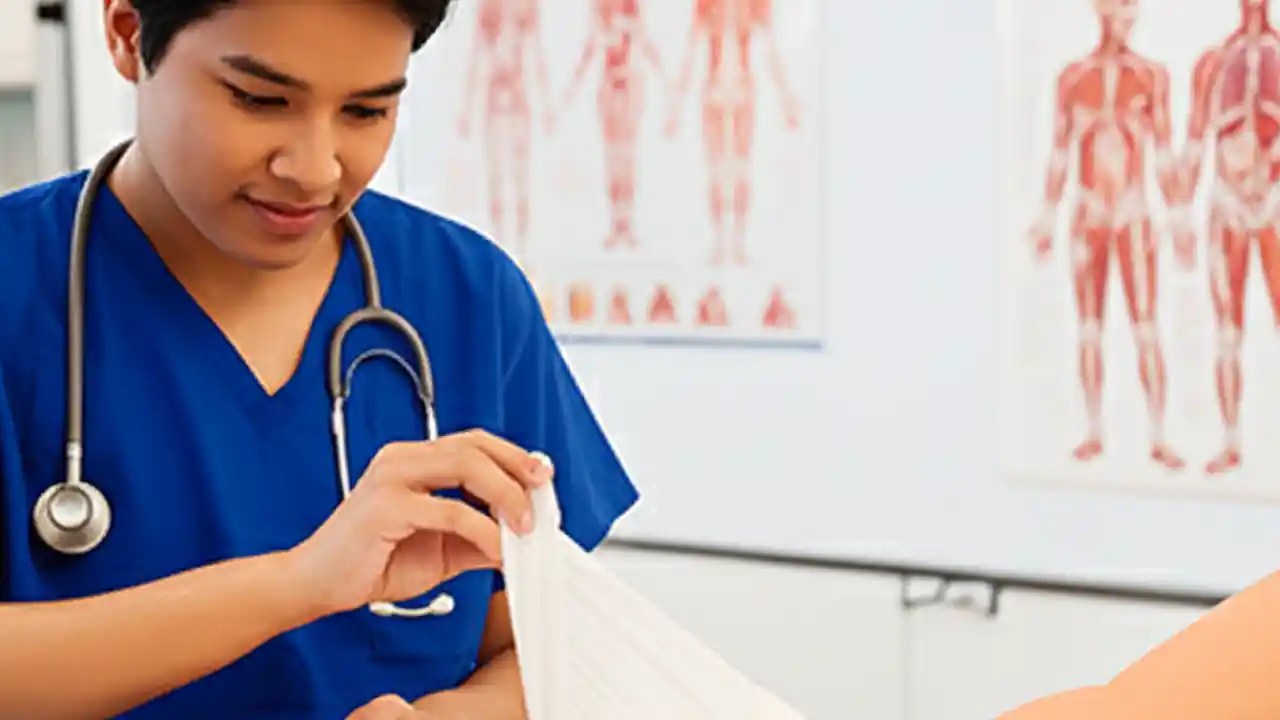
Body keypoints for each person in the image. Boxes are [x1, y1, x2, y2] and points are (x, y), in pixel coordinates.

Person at [0, 1, 638, 719]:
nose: (313, 168)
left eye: (365, 112)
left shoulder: (469, 295)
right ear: (126, 34)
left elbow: (544, 641)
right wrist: (300, 582)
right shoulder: (15, 290)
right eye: (259, 100)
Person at [1026, 0, 1191, 470]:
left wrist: (1178, 215)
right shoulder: (1073, 78)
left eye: (1131, 7)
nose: (1128, 14)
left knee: (1145, 326)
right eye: (1120, 6)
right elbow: (1060, 152)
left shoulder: (1151, 77)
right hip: (1088, 213)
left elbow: (1162, 150)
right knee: (1090, 329)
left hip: (1133, 213)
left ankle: (1158, 434)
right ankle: (1094, 430)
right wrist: (1046, 215)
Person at [1179, 0, 1280, 475]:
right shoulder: (1212, 62)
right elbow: (1196, 138)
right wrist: (1180, 212)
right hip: (1225, 199)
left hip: (1275, 197)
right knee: (1227, 328)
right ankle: (1231, 440)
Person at [665, 0, 801, 266]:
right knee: (716, 170)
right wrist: (676, 107)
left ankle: (737, 242)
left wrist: (787, 99)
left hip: (741, 93)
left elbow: (770, 51)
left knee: (740, 169)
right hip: (715, 91)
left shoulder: (756, 6)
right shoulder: (705, 6)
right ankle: (719, 242)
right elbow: (691, 53)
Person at [562, 0, 664, 251]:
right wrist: (571, 89)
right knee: (613, 159)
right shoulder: (600, 9)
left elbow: (644, 41)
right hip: (610, 87)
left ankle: (626, 224)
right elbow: (591, 47)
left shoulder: (632, 8)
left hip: (629, 86)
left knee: (626, 158)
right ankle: (617, 224)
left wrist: (667, 83)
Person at [457, 0, 553, 264]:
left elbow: (535, 54)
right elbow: (477, 56)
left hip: (517, 96)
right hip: (497, 98)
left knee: (520, 177)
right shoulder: (490, 10)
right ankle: (503, 244)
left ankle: (521, 245)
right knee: (497, 175)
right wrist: (467, 109)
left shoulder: (525, 9)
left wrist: (546, 105)